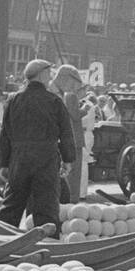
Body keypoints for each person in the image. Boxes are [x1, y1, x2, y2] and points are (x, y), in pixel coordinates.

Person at [0, 58, 75, 230]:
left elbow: (4, 134)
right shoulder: (54, 101)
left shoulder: (13, 100)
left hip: (19, 158)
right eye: (49, 73)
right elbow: (66, 133)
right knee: (46, 206)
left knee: (12, 204)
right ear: (42, 75)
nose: (50, 77)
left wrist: (3, 163)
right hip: (45, 159)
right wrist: (68, 159)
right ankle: (46, 241)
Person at [50, 63, 87, 202]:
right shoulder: (54, 93)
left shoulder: (62, 94)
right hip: (57, 140)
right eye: (72, 84)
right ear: (65, 78)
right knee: (70, 175)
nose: (73, 88)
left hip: (61, 139)